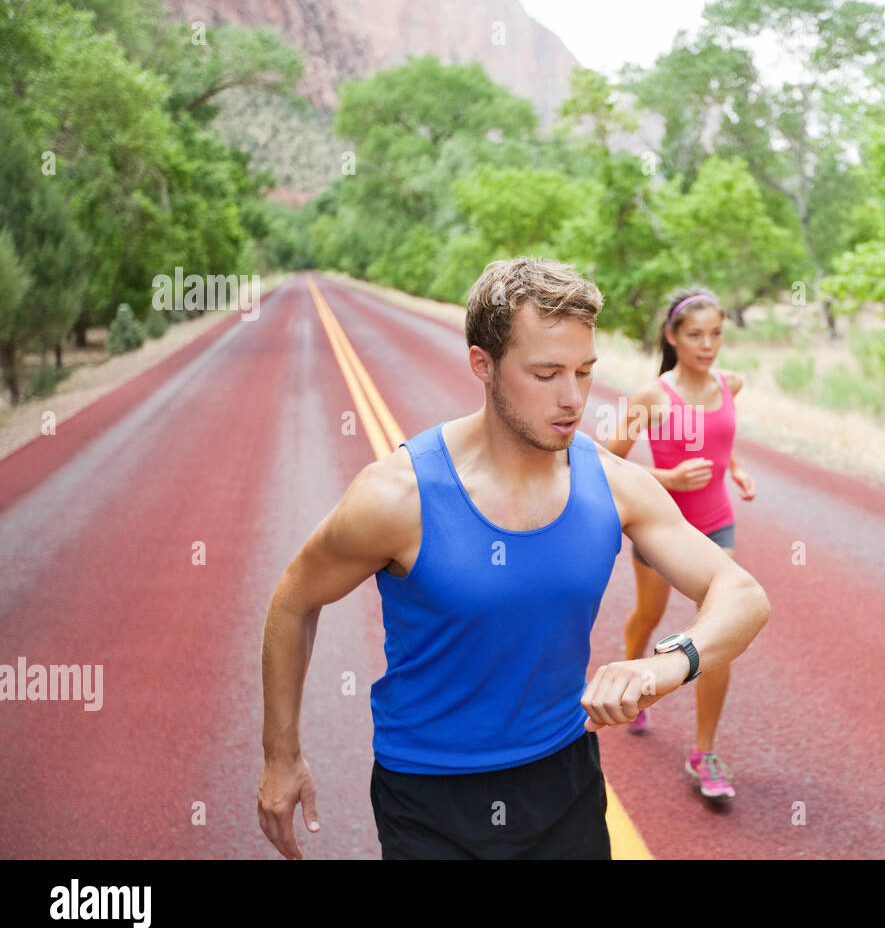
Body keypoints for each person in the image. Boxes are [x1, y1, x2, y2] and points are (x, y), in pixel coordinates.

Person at [257, 258, 769, 860]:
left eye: (584, 371)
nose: (572, 398)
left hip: (565, 778)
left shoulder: (612, 484)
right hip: (429, 795)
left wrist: (668, 665)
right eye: (546, 373)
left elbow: (742, 595)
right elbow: (294, 601)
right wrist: (280, 757)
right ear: (483, 364)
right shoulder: (397, 496)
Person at [604, 288, 756, 801]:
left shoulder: (730, 384)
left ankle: (703, 752)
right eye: (695, 335)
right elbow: (609, 463)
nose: (708, 345)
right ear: (672, 337)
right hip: (663, 530)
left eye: (716, 334)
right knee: (649, 616)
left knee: (720, 628)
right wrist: (668, 478)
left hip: (717, 525)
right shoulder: (653, 398)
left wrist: (735, 469)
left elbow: (721, 437)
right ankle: (632, 681)